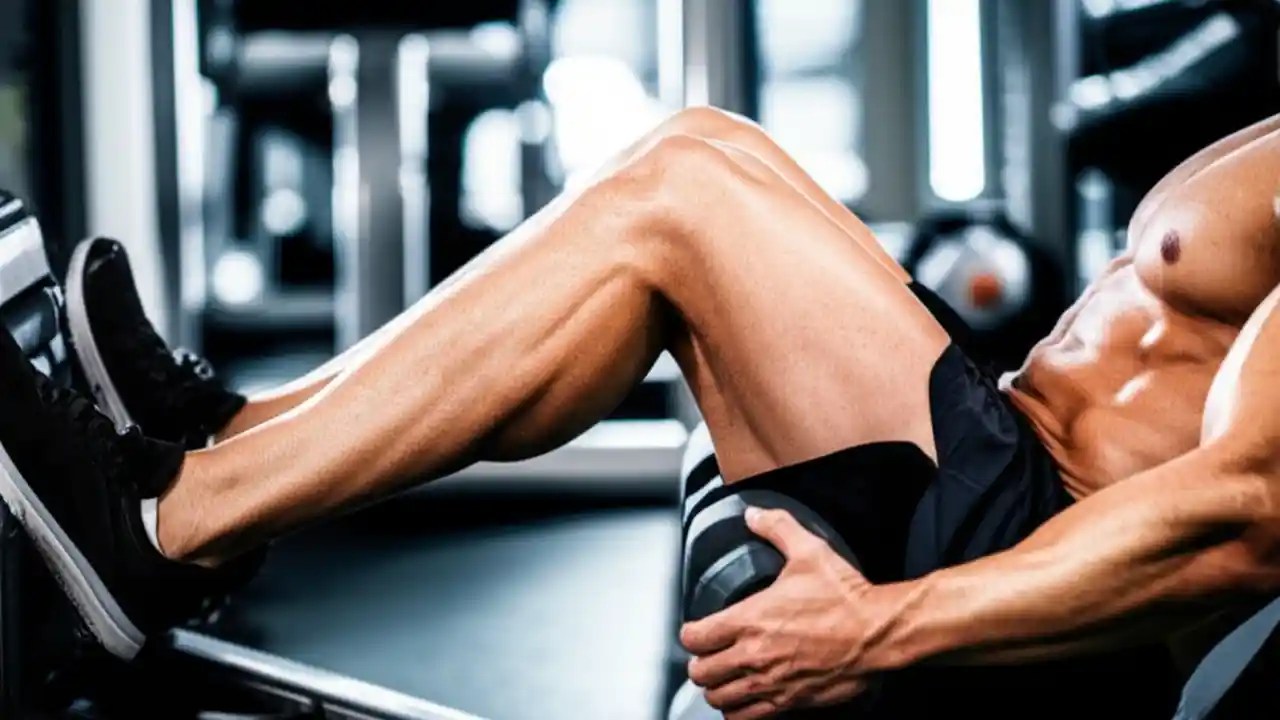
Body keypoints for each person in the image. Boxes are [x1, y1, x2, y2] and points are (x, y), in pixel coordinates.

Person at [1, 106, 1278, 718]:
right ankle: (217, 453)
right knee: (704, 156)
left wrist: (879, 629)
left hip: (1032, 587)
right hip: (997, 475)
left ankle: (160, 526)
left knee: (682, 193)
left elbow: (1243, 517)